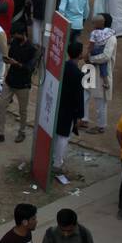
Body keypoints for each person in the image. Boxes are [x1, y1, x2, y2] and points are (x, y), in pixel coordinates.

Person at [0, 24, 36, 143]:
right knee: (1, 106)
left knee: (23, 110)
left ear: (23, 34)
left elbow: (30, 68)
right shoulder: (15, 43)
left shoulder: (31, 49)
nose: (14, 37)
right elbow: (9, 56)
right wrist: (7, 59)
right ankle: (0, 133)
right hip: (10, 81)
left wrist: (17, 64)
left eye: (16, 35)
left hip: (23, 84)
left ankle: (22, 132)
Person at [52, 41, 85, 181]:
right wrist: (79, 115)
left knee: (56, 134)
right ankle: (57, 163)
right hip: (69, 109)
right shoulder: (78, 73)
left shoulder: (61, 67)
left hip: (57, 105)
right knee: (63, 137)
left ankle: (53, 158)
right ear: (80, 54)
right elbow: (79, 96)